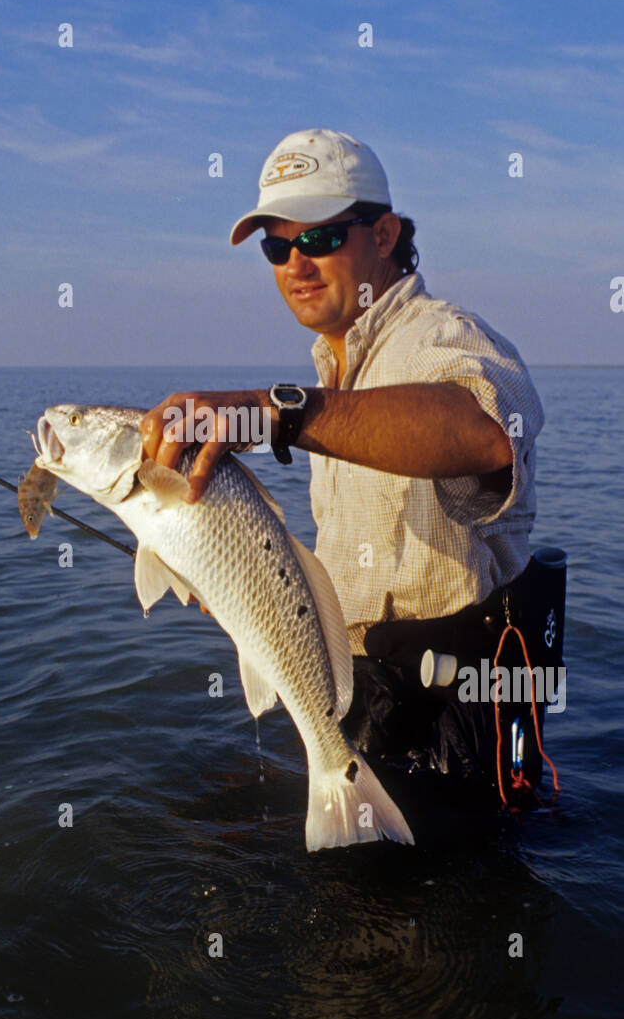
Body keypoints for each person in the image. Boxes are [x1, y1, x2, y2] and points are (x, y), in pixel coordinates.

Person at [140, 128, 562, 826]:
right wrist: (236, 589)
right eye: (279, 247)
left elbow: (481, 436)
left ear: (386, 233)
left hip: (451, 747)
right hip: (354, 719)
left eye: (321, 239)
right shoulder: (335, 375)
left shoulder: (446, 340)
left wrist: (272, 414)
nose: (295, 264)